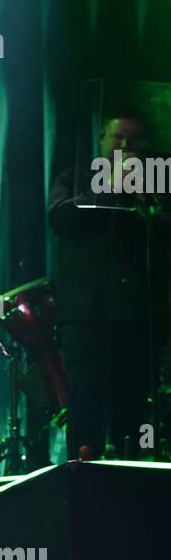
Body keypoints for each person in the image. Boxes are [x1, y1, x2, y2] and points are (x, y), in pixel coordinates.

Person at [49, 109, 171, 459]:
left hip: (138, 316)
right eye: (118, 139)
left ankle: (131, 480)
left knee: (132, 410)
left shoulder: (155, 184)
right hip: (88, 316)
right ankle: (84, 488)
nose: (126, 147)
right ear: (101, 139)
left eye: (133, 141)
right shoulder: (76, 177)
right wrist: (112, 188)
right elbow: (61, 218)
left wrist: (149, 204)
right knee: (87, 405)